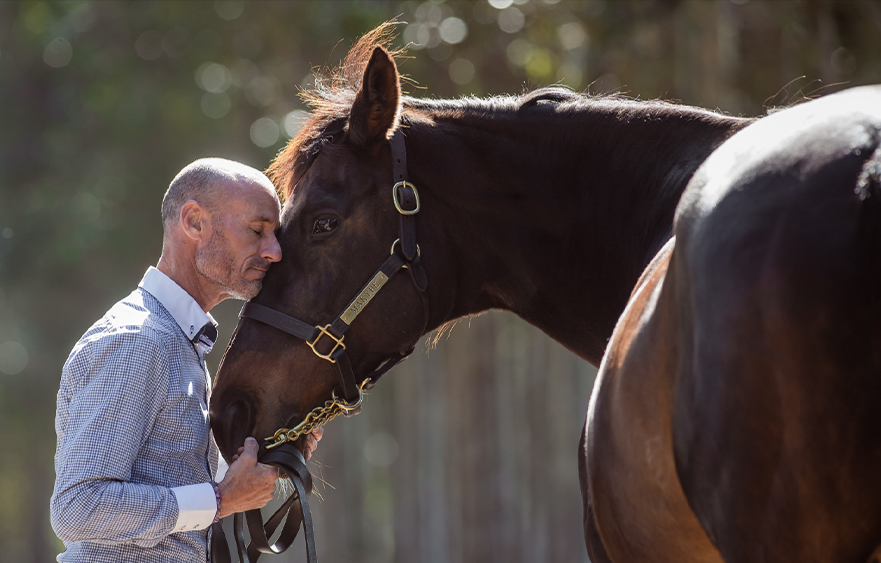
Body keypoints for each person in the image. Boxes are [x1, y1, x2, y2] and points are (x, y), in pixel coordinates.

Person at [50, 158, 322, 562]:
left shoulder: (177, 340)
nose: (275, 251)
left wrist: (263, 458)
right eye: (257, 230)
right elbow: (79, 508)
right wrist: (221, 499)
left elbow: (170, 486)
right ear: (194, 222)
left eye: (275, 235)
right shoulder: (138, 340)